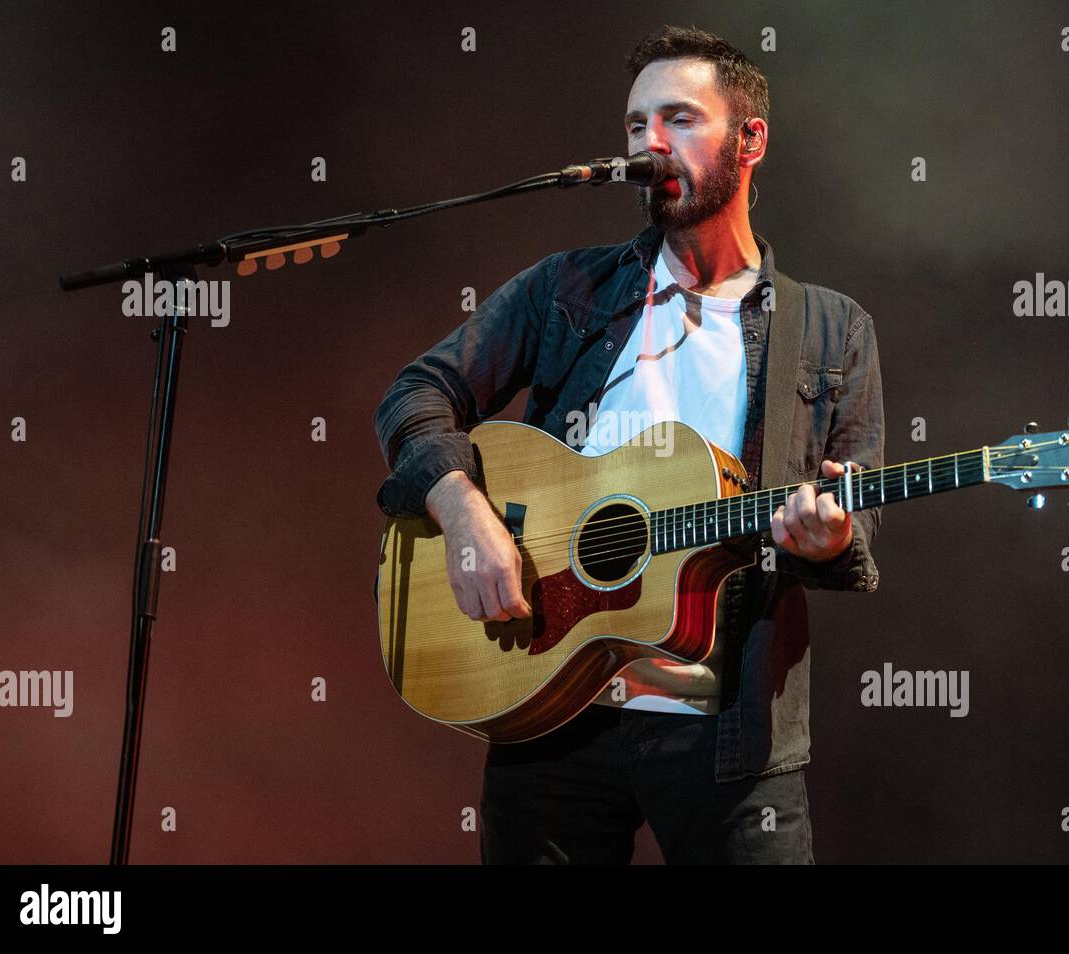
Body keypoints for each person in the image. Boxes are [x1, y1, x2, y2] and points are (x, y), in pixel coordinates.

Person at [373, 25, 885, 864]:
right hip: (550, 706)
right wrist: (465, 517)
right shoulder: (567, 289)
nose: (649, 142)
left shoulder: (830, 330)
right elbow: (416, 394)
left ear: (750, 139)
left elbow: (852, 522)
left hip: (731, 740)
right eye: (635, 124)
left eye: (679, 118)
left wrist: (829, 539)